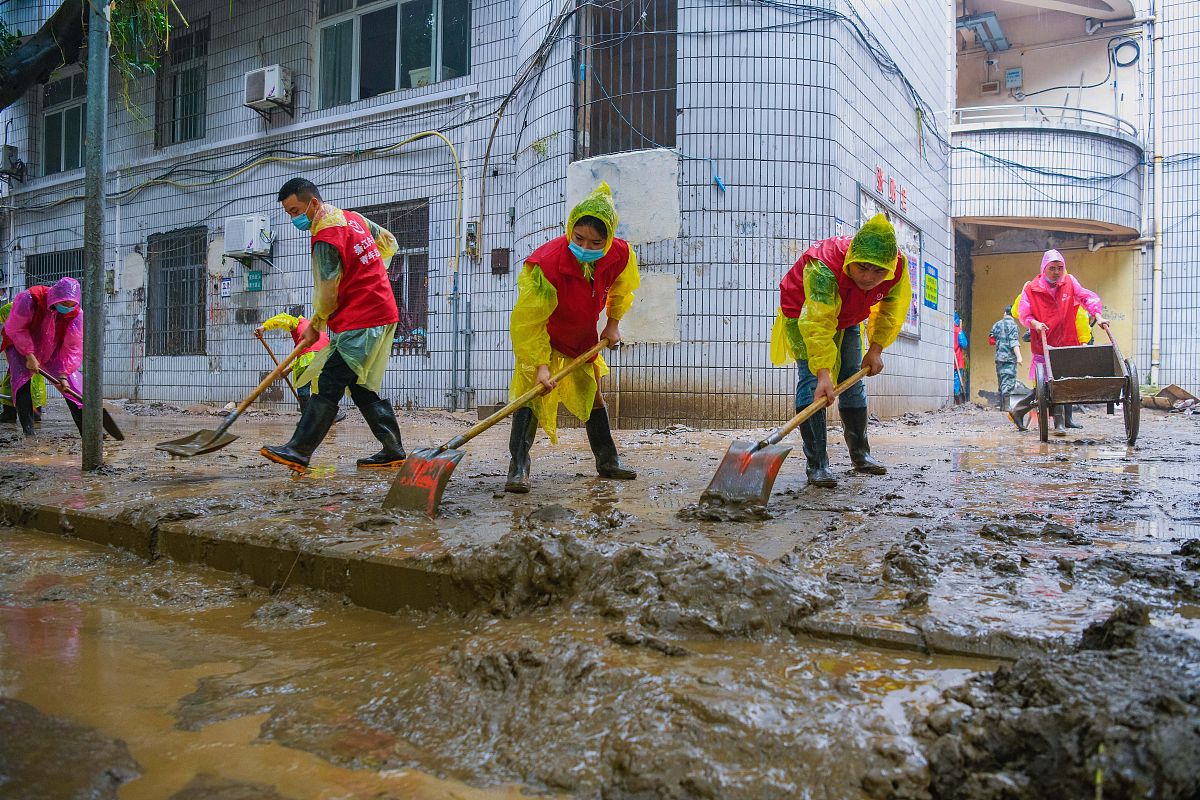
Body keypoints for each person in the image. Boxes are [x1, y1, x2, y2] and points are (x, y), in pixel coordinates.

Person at [260, 178, 407, 471]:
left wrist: (315, 324)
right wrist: (370, 273)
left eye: (295, 210)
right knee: (358, 384)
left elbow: (327, 294)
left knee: (328, 381)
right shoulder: (351, 219)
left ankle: (299, 451)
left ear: (313, 203)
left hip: (363, 318)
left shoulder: (325, 237)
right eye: (289, 212)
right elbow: (389, 242)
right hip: (378, 309)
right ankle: (393, 450)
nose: (294, 218)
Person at [504, 182, 640, 493]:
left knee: (593, 394)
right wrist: (540, 364)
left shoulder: (618, 253)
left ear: (607, 240)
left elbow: (623, 287)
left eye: (595, 242)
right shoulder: (546, 264)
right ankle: (518, 468)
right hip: (544, 338)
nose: (586, 248)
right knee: (532, 397)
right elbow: (529, 322)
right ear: (569, 230)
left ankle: (608, 462)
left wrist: (612, 324)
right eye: (578, 239)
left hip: (582, 339)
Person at [770, 213, 911, 488]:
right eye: (862, 268)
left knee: (852, 378)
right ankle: (818, 465)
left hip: (848, 317)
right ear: (851, 259)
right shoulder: (823, 267)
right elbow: (818, 322)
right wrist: (823, 373)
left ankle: (861, 455)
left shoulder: (897, 267)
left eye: (878, 271)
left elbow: (891, 309)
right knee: (813, 383)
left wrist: (876, 349)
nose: (869, 277)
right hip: (803, 314)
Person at [1009, 249, 1107, 435]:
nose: (1056, 272)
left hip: (1068, 340)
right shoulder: (1032, 288)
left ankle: (1023, 411)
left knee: (1063, 381)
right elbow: (1023, 314)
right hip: (1044, 341)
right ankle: (1055, 421)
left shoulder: (1070, 282)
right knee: (1048, 384)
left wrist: (1098, 316)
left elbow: (1086, 298)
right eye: (1052, 268)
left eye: (1060, 268)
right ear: (1044, 269)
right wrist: (1035, 323)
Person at [0, 277, 83, 437]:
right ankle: (29, 434)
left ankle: (89, 432)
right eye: (64, 304)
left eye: (71, 305)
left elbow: (73, 346)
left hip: (52, 344)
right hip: (20, 342)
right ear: (56, 297)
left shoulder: (76, 314)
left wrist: (64, 374)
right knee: (22, 382)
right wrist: (29, 354)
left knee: (71, 386)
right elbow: (16, 328)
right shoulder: (30, 298)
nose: (67, 308)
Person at [0, 300, 46, 425]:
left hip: (26, 353)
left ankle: (30, 413)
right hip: (26, 352)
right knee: (17, 382)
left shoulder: (15, 314)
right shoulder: (23, 314)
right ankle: (13, 413)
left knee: (27, 382)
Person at [988, 306, 1022, 409]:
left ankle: (1002, 405)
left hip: (999, 358)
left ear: (1005, 313)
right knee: (1008, 382)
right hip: (1009, 359)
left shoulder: (997, 324)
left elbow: (991, 339)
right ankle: (1006, 408)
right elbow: (1014, 342)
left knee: (1001, 381)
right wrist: (1019, 356)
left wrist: (1000, 343)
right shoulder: (1014, 326)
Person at [953, 313, 968, 404]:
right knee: (957, 380)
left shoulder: (946, 329)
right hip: (957, 360)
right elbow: (964, 344)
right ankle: (957, 398)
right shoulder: (958, 331)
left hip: (948, 361)